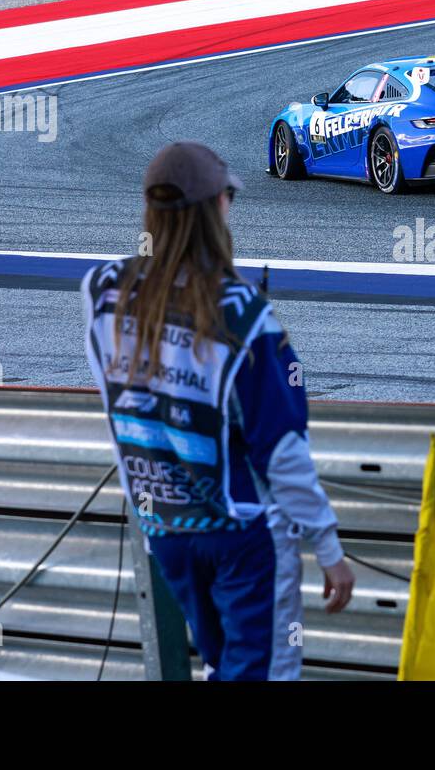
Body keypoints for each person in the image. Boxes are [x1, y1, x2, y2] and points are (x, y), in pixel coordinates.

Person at [82, 142, 355, 681]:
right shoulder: (244, 315)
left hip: (163, 526)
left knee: (219, 665)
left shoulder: (101, 288)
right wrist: (328, 545)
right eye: (229, 195)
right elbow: (281, 450)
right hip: (243, 533)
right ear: (218, 207)